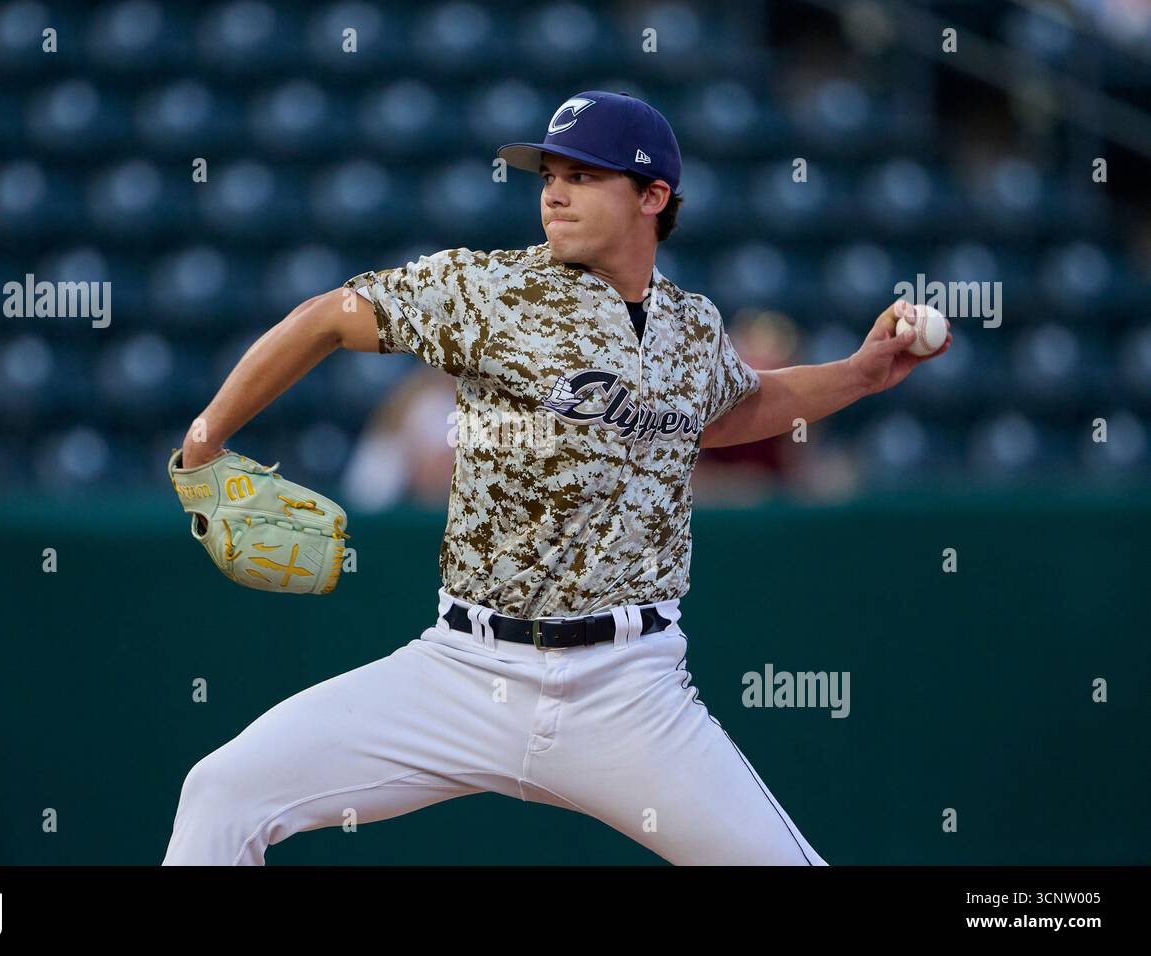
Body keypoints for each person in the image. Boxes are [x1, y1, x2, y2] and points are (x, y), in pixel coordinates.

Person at [162, 90, 949, 865]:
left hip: (628, 691)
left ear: (653, 195)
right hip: (464, 671)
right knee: (222, 792)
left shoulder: (692, 326)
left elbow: (735, 409)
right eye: (548, 175)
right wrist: (205, 440)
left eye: (584, 174)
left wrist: (859, 374)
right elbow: (329, 317)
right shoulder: (493, 290)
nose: (555, 192)